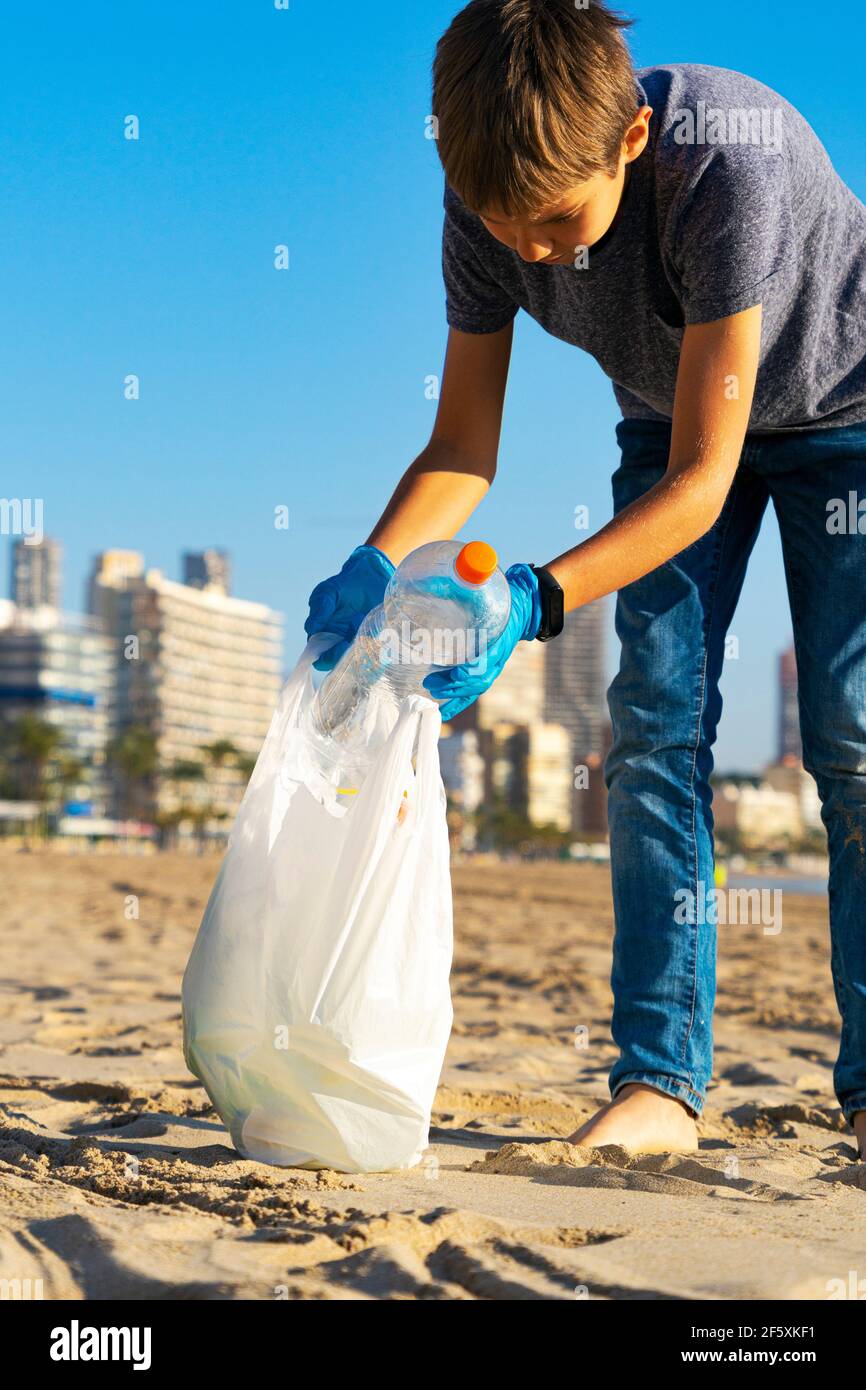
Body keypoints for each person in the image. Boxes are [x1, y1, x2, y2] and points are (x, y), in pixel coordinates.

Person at [305, 0, 866, 1157]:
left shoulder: (721, 156)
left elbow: (707, 484)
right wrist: (368, 563)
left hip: (842, 417)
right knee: (652, 726)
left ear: (627, 142)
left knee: (853, 740)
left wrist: (526, 599)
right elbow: (463, 442)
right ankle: (658, 1083)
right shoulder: (490, 200)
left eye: (555, 221)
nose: (534, 252)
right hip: (669, 427)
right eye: (503, 225)